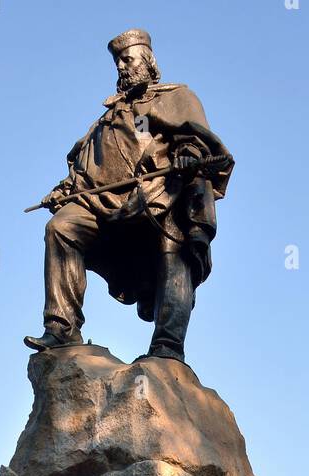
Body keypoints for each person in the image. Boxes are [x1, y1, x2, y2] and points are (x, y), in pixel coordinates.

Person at [24, 29, 233, 363]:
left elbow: (196, 139)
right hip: (106, 203)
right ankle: (62, 328)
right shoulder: (107, 119)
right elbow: (85, 169)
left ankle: (168, 346)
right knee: (61, 227)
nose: (122, 67)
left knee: (174, 239)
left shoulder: (176, 97)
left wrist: (188, 154)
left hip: (161, 194)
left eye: (128, 59)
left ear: (147, 61)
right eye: (118, 62)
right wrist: (62, 193)